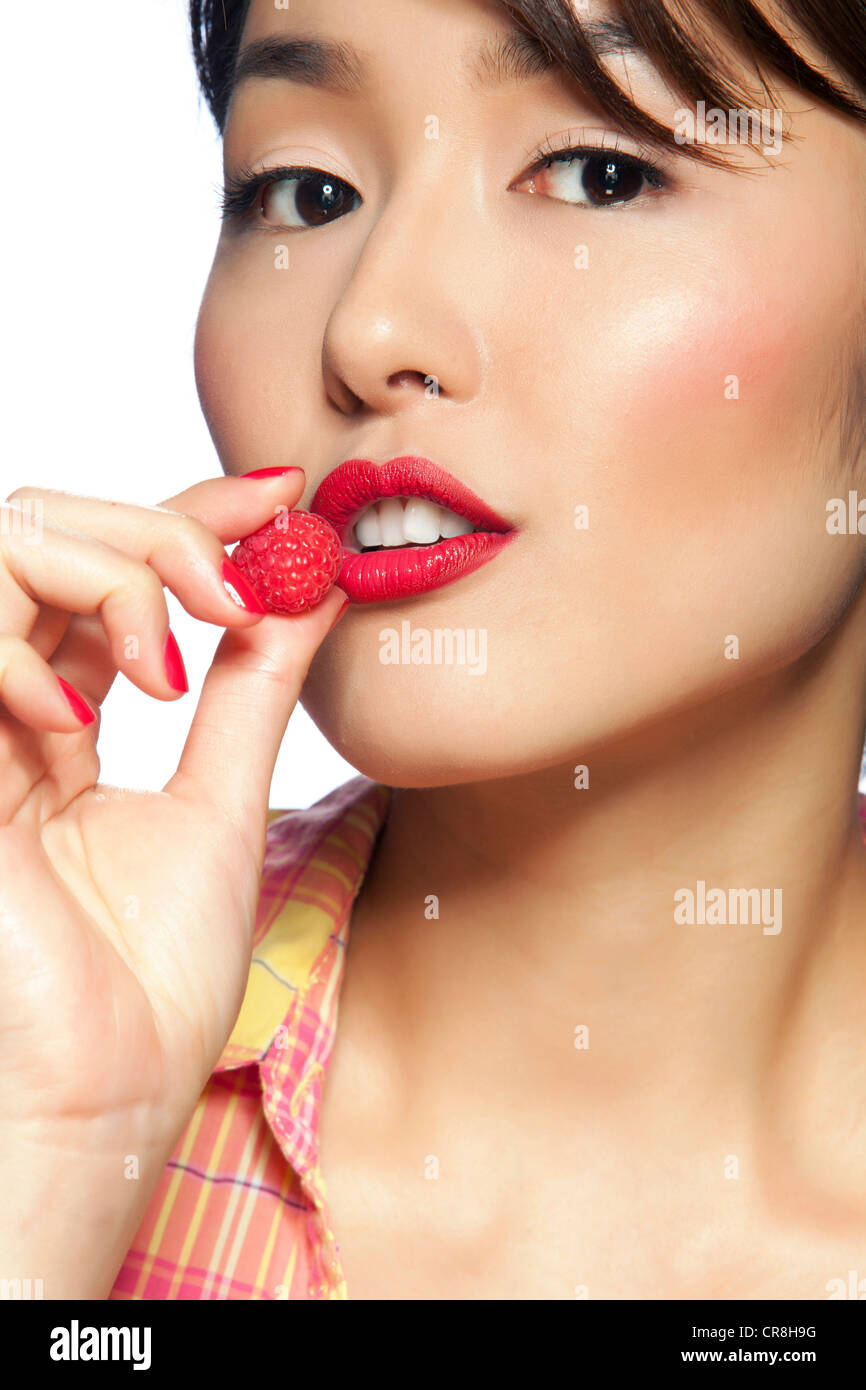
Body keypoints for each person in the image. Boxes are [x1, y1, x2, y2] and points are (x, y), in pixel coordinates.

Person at [4, 0, 866, 1300]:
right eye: (302, 191)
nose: (368, 329)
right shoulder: (51, 1016)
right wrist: (41, 1168)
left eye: (597, 173)